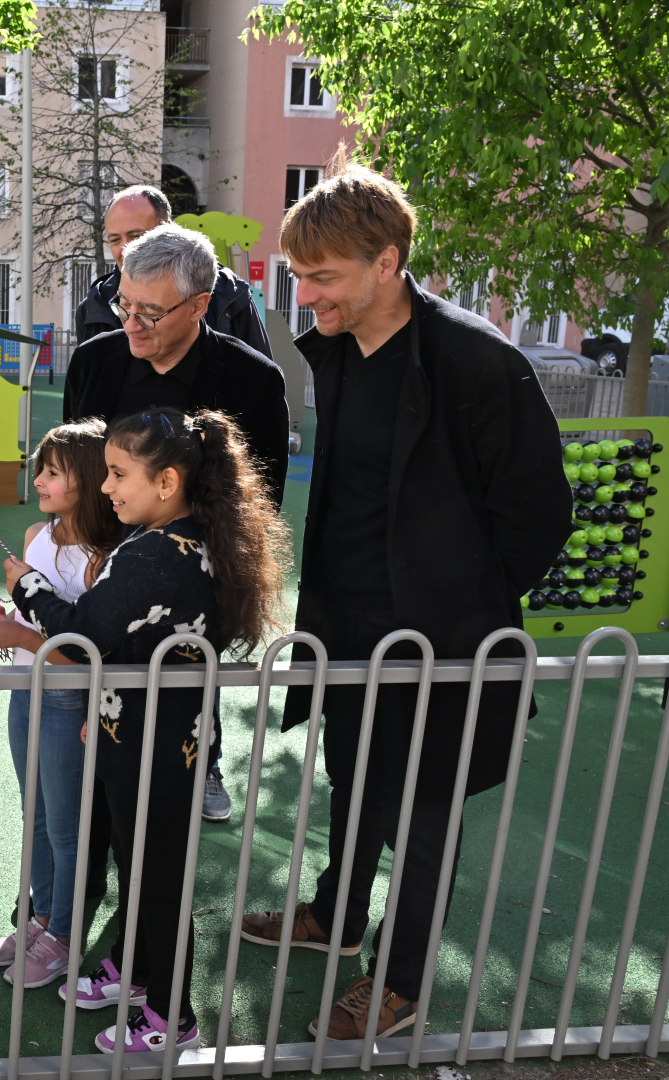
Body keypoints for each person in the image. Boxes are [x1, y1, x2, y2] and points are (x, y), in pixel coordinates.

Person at [237, 164, 570, 1040]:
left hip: (445, 638)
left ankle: (400, 980)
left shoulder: (475, 358)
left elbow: (539, 512)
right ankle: (337, 920)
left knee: (424, 812)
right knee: (353, 781)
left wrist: (467, 600)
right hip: (349, 623)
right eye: (299, 276)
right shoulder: (339, 348)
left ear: (387, 263)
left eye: (324, 278)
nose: (306, 297)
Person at [0, 407, 291, 1053]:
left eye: (119, 474)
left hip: (158, 750)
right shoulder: (170, 540)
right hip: (146, 737)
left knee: (158, 886)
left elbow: (87, 630)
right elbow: (128, 644)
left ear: (168, 481)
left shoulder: (161, 551)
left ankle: (170, 1020)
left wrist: (28, 587)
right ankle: (134, 971)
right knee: (139, 868)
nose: (106, 487)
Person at [65, 222, 290, 828]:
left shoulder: (253, 378)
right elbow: (78, 467)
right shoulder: (95, 361)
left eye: (150, 313)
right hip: (108, 560)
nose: (131, 323)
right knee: (102, 677)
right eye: (124, 305)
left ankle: (202, 761)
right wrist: (87, 545)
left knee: (186, 689)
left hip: (199, 573)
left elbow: (259, 499)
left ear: (198, 306)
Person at [0, 420, 122, 990]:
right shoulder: (38, 535)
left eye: (53, 471)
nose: (38, 478)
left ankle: (62, 936)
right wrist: (7, 622)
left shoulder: (100, 559)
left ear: (85, 482)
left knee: (67, 827)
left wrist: (20, 637)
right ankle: (38, 919)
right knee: (33, 814)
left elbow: (85, 654)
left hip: (67, 701)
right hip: (25, 689)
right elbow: (36, 623)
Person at [74, 186, 272, 356]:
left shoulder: (229, 294)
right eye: (115, 240)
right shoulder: (95, 307)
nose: (126, 249)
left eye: (136, 236)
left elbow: (260, 383)